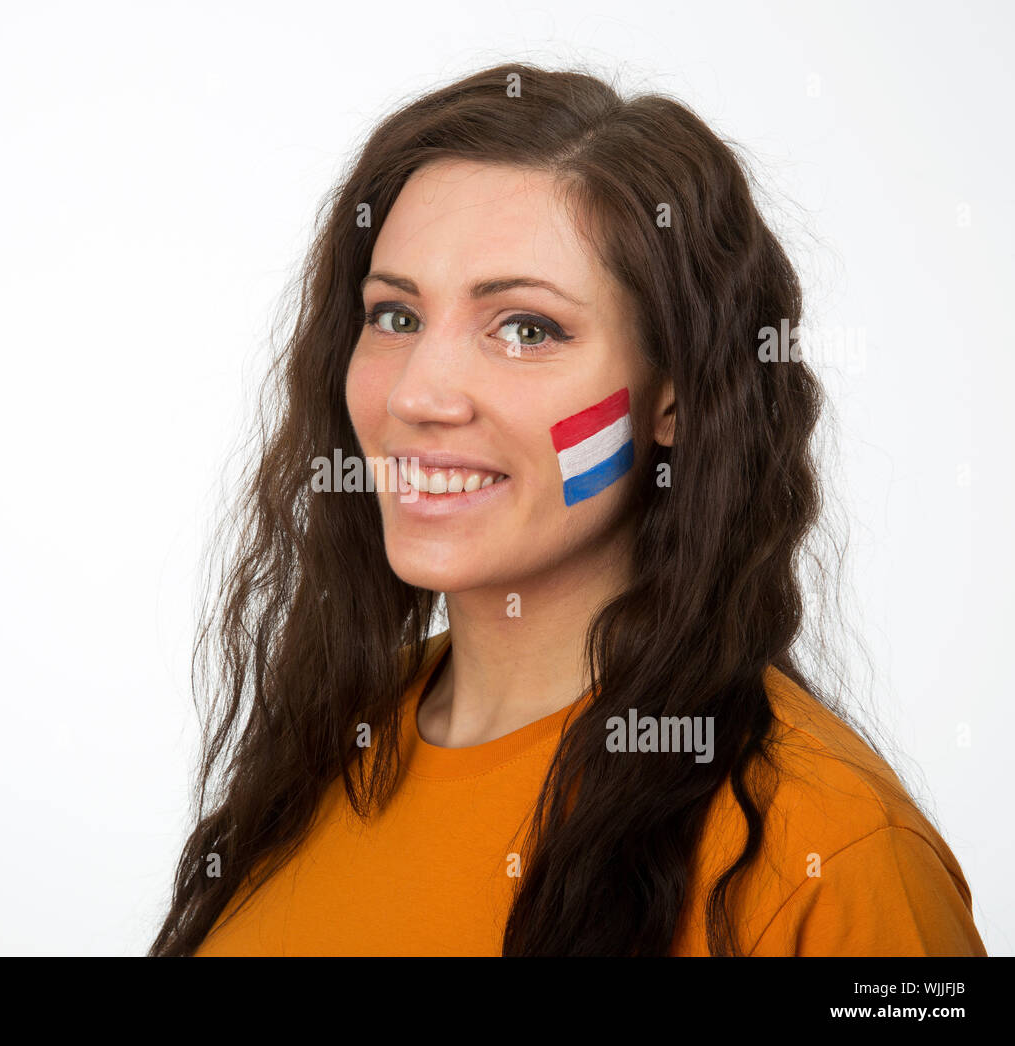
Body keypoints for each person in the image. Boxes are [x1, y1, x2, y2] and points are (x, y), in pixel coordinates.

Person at [150, 62, 986, 956]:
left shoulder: (832, 847)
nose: (420, 397)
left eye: (525, 329)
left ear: (675, 398)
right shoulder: (325, 748)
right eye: (395, 317)